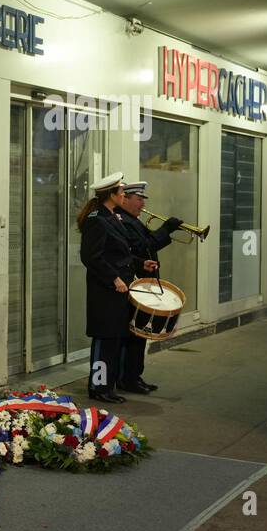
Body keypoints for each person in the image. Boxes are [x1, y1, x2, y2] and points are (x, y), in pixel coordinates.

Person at [77, 172, 155, 405]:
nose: (124, 195)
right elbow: (91, 256)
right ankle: (98, 387)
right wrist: (114, 278)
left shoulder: (112, 217)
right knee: (104, 339)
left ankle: (109, 385)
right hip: (105, 291)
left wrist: (141, 263)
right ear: (110, 195)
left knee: (115, 339)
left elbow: (120, 253)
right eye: (121, 192)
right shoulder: (96, 219)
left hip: (120, 289)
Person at [115, 181, 180, 394]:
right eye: (139, 199)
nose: (143, 203)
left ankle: (135, 376)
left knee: (140, 334)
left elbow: (148, 244)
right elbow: (146, 246)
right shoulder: (123, 221)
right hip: (135, 282)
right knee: (134, 334)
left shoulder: (133, 220)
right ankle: (128, 379)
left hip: (143, 279)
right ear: (125, 198)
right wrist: (166, 229)